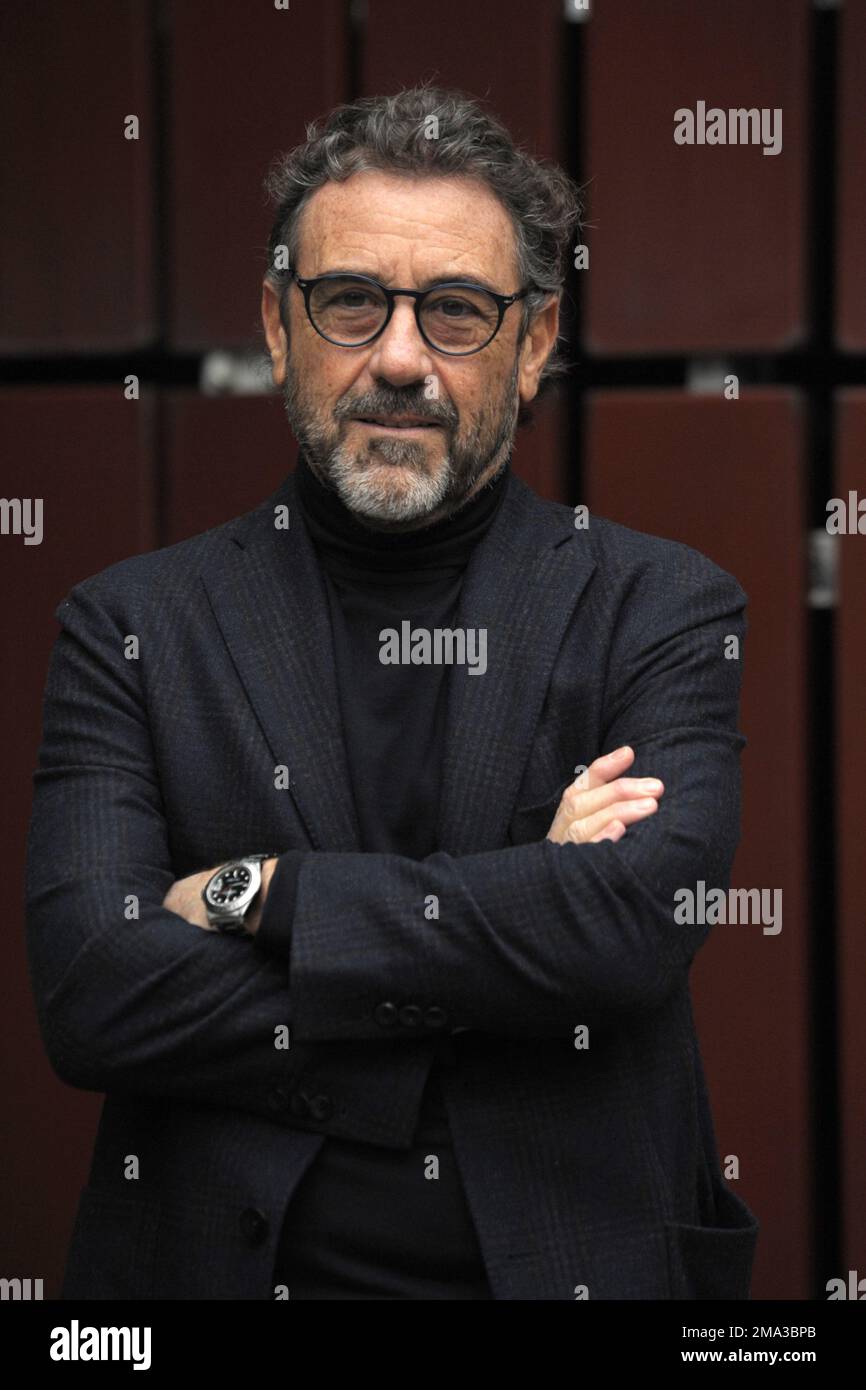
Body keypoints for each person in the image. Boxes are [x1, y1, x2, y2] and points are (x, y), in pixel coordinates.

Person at [24, 84, 758, 1300]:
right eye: (352, 301)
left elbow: (628, 930)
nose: (402, 359)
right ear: (277, 325)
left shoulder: (660, 607)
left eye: (457, 310)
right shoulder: (130, 626)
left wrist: (266, 893)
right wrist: (512, 930)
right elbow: (95, 993)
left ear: (533, 344)